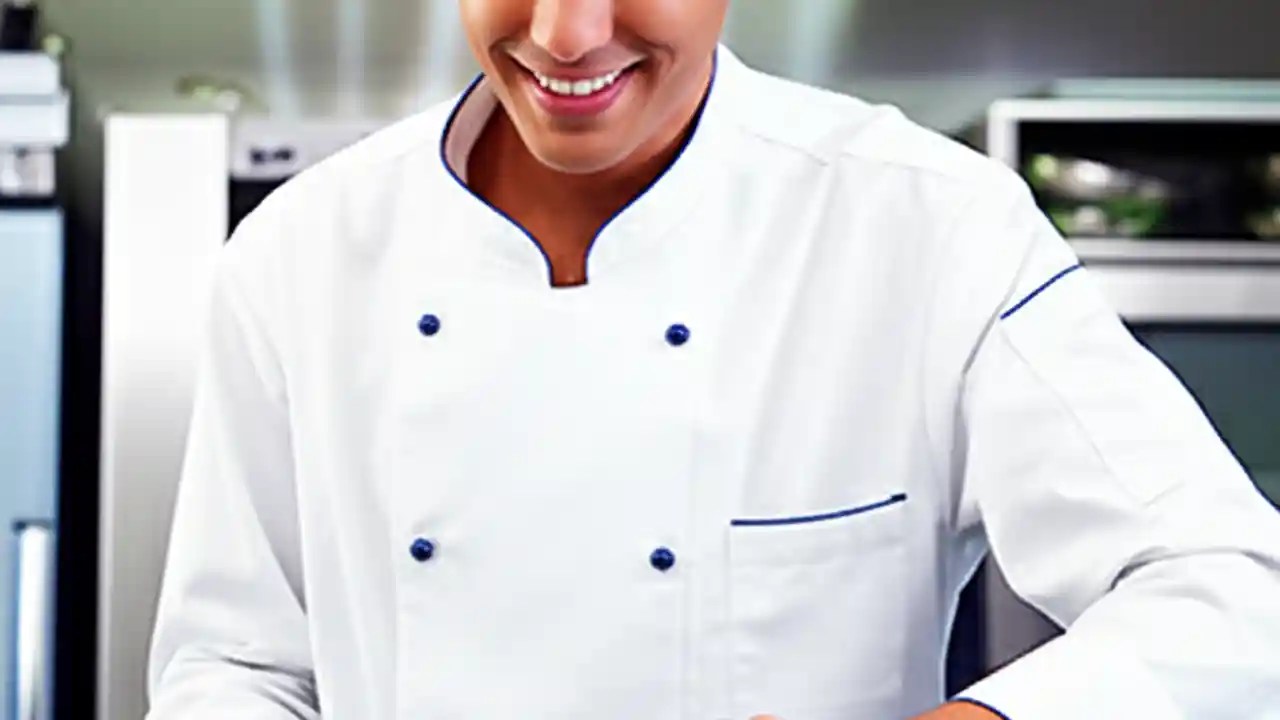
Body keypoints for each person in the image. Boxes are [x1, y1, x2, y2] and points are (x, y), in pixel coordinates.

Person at [146, 1, 1280, 718]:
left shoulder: (925, 226)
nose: (565, 34)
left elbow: (1236, 595)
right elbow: (234, 672)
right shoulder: (300, 253)